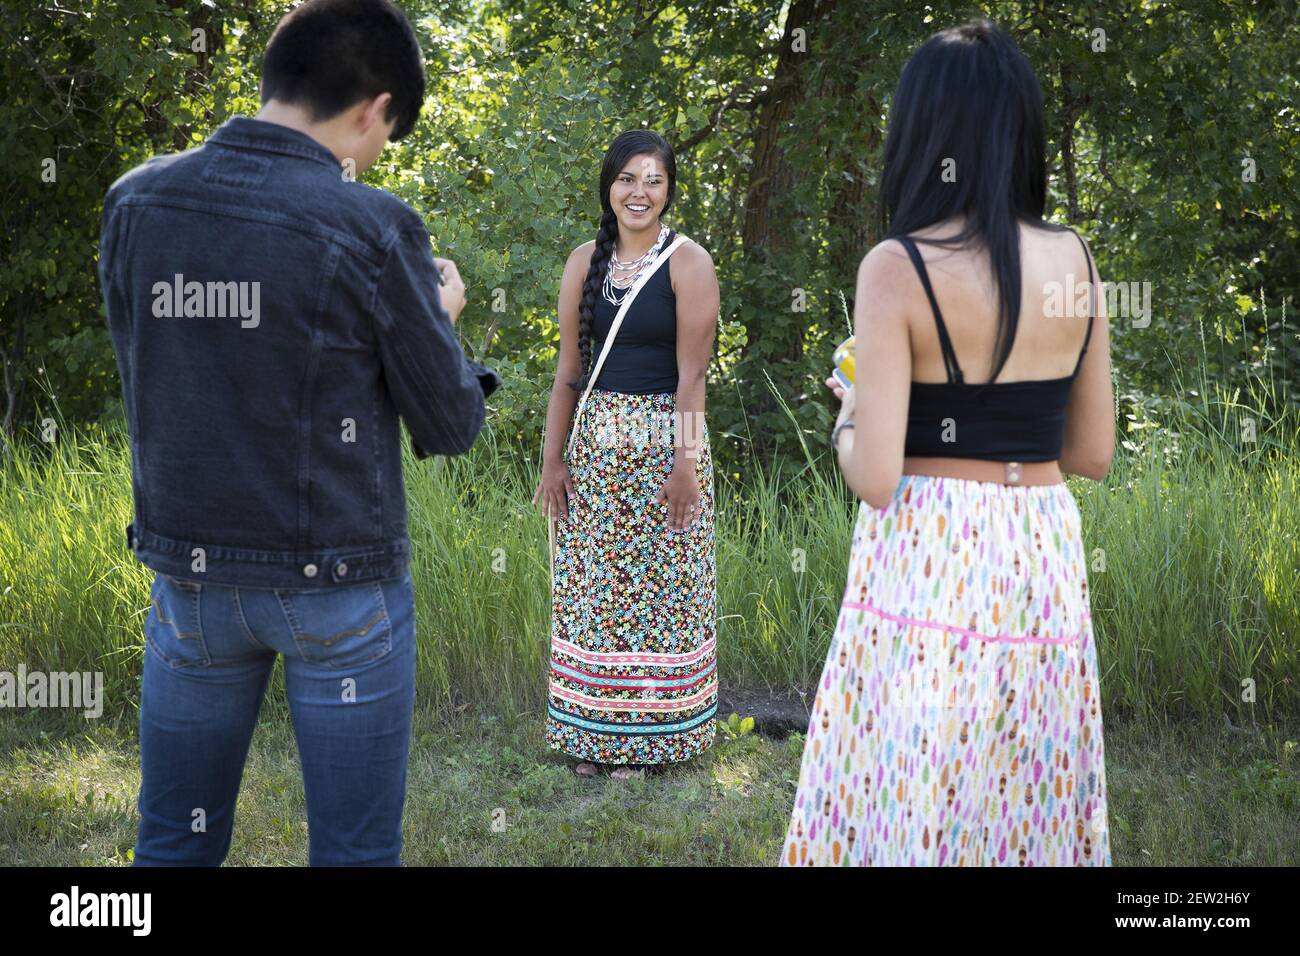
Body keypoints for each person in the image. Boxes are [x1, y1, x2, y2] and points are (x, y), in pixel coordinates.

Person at [97, 0, 500, 865]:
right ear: (372, 110)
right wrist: (442, 318)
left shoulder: (135, 202)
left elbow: (155, 366)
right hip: (340, 592)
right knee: (354, 855)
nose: (377, 157)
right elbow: (451, 421)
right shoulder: (372, 226)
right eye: (387, 136)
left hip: (191, 586)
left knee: (171, 844)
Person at [782, 20, 1114, 866]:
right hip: (1040, 542)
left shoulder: (897, 266)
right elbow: (1092, 452)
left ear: (924, 133)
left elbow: (879, 477)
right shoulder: (1075, 258)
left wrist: (848, 412)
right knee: (1023, 774)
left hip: (930, 549)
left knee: (916, 777)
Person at [533, 130, 721, 779]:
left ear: (669, 191)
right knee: (597, 598)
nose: (639, 192)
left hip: (663, 452)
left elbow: (692, 378)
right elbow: (567, 370)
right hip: (595, 456)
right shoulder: (584, 259)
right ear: (609, 186)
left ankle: (647, 742)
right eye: (627, 179)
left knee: (660, 596)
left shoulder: (688, 262)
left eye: (654, 181)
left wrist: (686, 465)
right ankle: (593, 737)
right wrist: (552, 461)